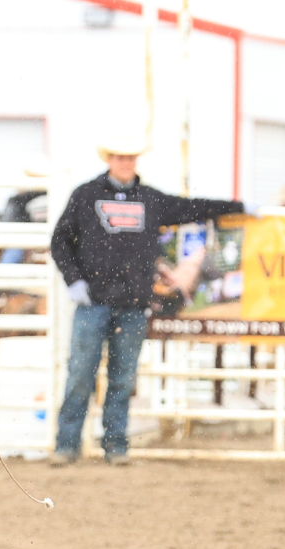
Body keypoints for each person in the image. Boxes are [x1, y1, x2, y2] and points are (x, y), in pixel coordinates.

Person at [51, 135, 243, 465]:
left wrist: (236, 208)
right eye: (119, 157)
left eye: (130, 157)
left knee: (123, 377)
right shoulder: (86, 195)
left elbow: (192, 207)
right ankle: (67, 444)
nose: (125, 163)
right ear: (109, 159)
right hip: (93, 301)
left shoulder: (150, 199)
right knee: (81, 373)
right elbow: (61, 241)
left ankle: (116, 446)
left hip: (133, 303)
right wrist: (74, 280)